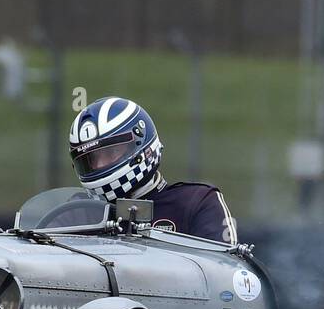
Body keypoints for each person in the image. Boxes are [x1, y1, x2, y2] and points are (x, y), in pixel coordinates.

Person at [68, 96, 237, 245]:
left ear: (141, 146)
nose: (99, 165)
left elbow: (223, 271)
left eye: (110, 153)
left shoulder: (195, 203)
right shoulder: (78, 211)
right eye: (91, 160)